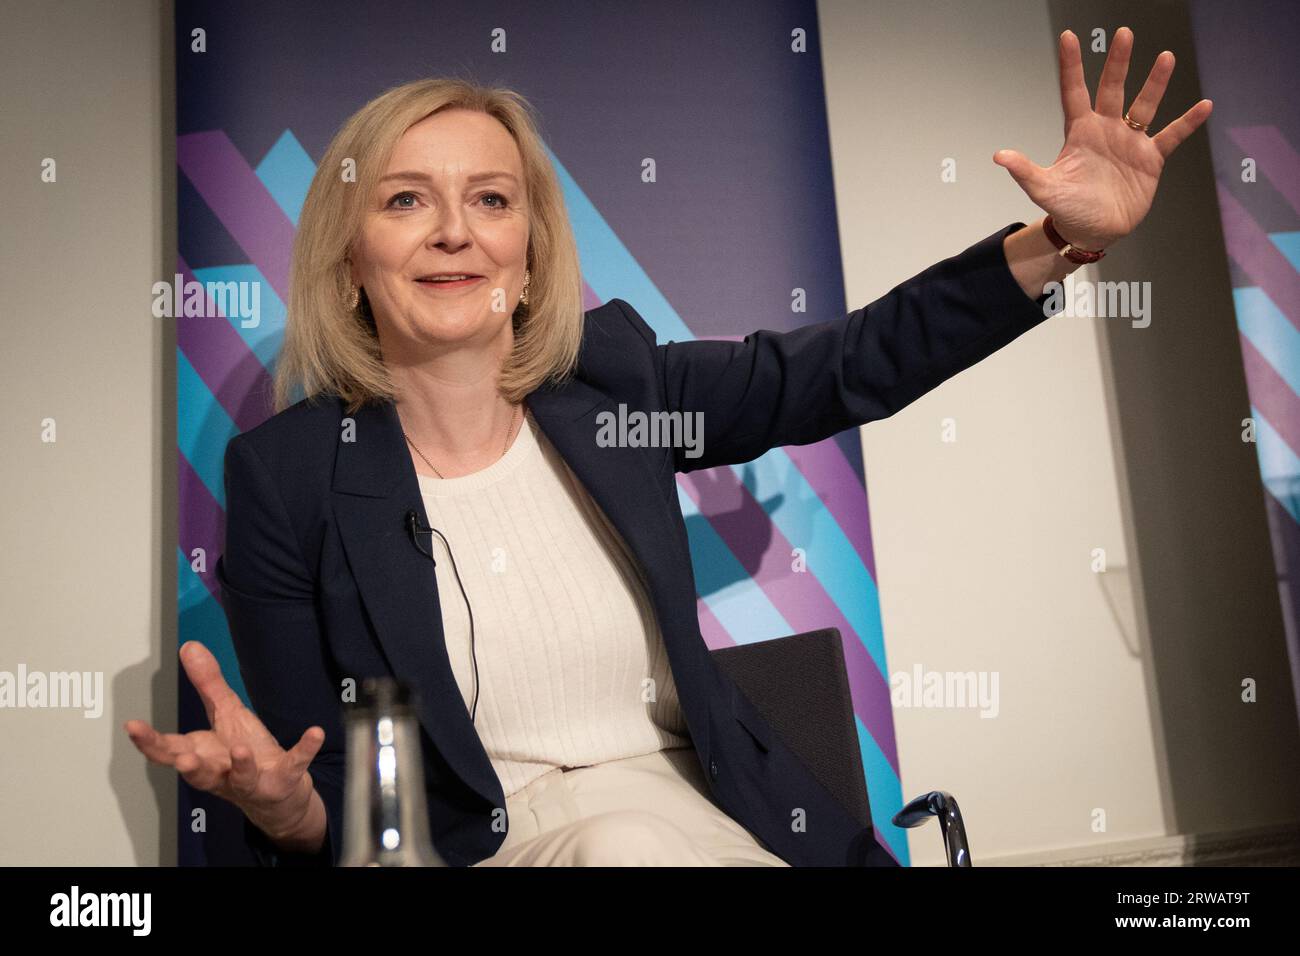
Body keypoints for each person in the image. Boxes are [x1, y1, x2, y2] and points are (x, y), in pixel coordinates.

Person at [126, 27, 1211, 866]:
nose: (454, 230)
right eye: (408, 199)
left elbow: (839, 366)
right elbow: (362, 807)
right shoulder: (291, 477)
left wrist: (1058, 242)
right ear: (350, 253)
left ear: (529, 245)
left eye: (490, 199)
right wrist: (292, 809)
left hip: (710, 816)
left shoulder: (610, 383)